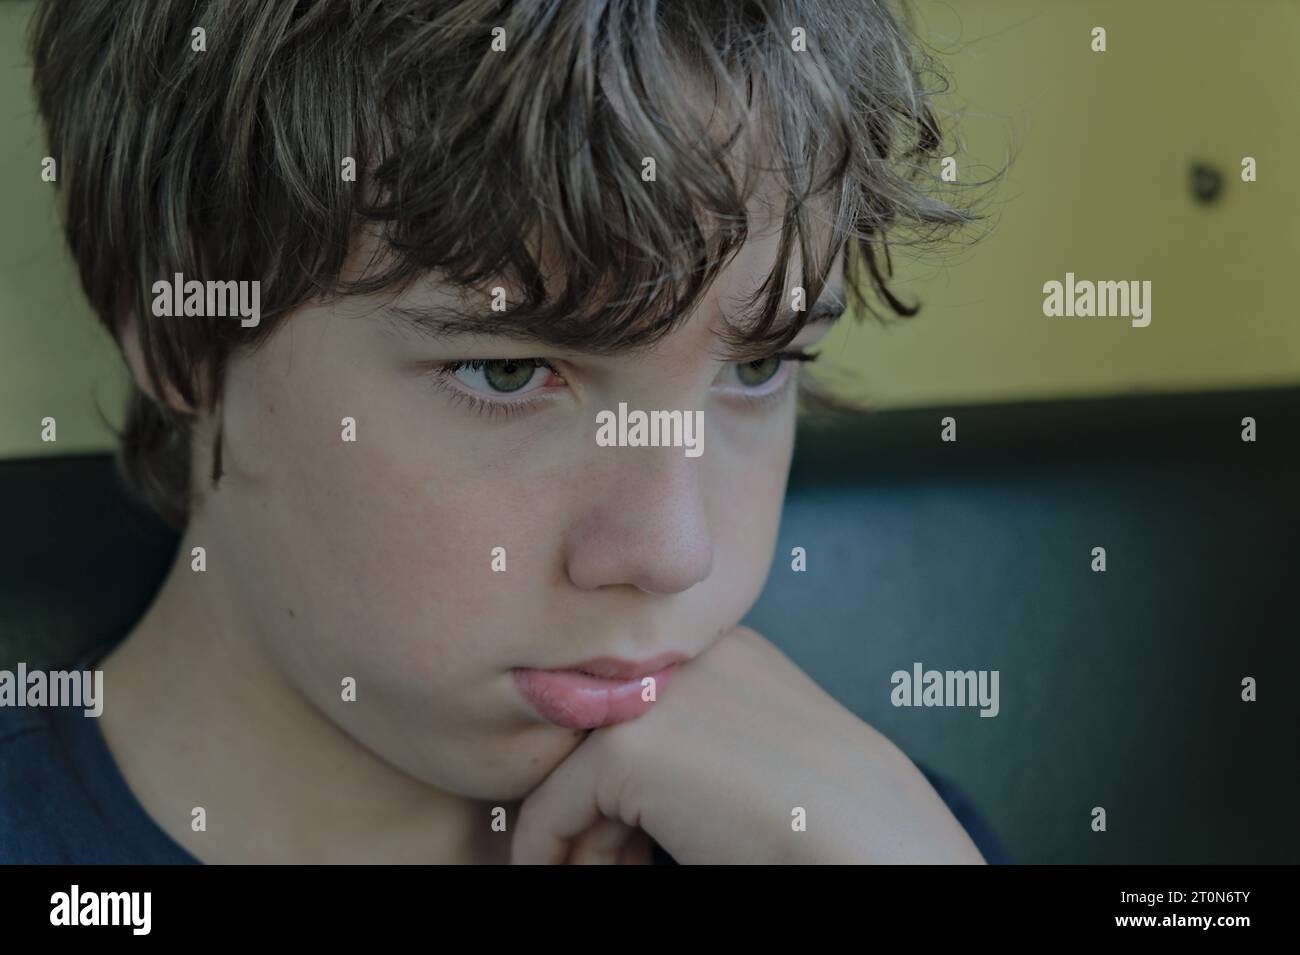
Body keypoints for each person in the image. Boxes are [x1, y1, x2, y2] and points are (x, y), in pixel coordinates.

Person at [2, 0, 1007, 864]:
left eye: (754, 367)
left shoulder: (872, 837)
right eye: (509, 371)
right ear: (183, 336)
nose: (673, 553)